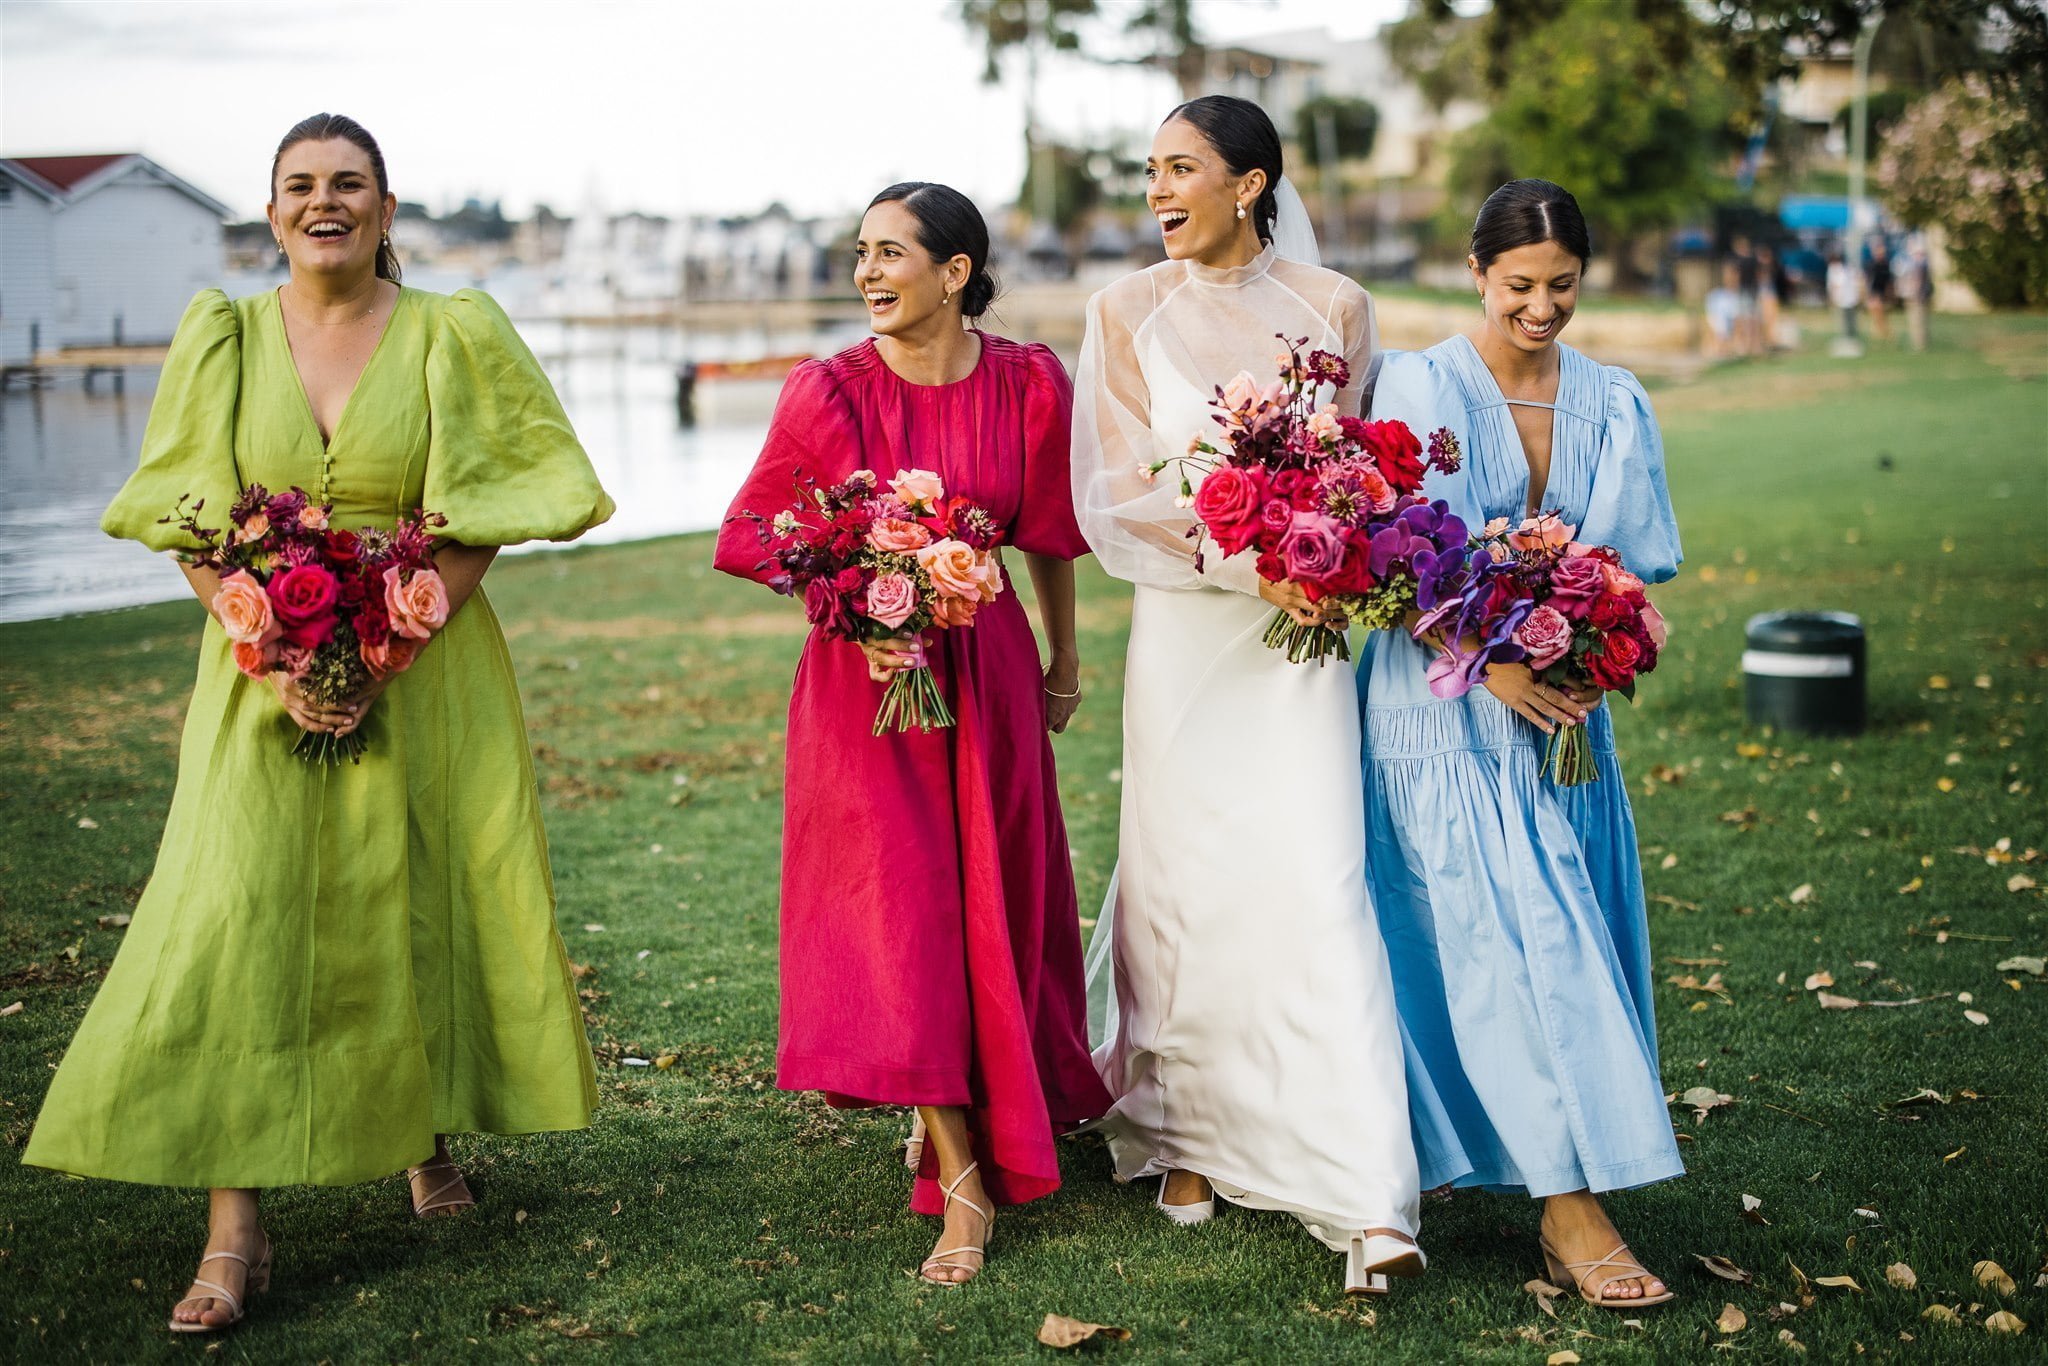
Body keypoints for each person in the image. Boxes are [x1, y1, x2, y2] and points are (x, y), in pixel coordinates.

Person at [21, 113, 612, 1332]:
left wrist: (395, 634)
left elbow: (490, 500)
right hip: (258, 672)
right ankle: (234, 1227)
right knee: (238, 911)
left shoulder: (455, 331)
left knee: (417, 888)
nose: (323, 202)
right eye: (300, 185)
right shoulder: (223, 335)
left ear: (387, 211)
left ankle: (420, 1135)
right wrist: (271, 644)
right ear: (274, 209)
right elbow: (193, 515)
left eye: (349, 184)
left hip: (429, 662)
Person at [1072, 94, 1440, 1296]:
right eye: (1148, 172)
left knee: (1316, 876)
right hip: (1189, 638)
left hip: (1308, 647)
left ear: (1252, 181)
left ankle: (1363, 1187)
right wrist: (1255, 564)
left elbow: (1365, 477)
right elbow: (1116, 496)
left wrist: (1319, 559)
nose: (1156, 191)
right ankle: (1181, 1130)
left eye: (1179, 168)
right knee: (1180, 884)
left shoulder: (1335, 308)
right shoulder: (1122, 309)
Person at [713, 182, 1108, 1286]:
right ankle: (962, 1179)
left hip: (986, 676)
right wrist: (850, 599)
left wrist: (1061, 661)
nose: (869, 274)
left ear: (956, 270)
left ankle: (976, 1111)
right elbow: (752, 532)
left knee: (995, 901)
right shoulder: (826, 390)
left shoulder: (1029, 382)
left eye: (892, 253)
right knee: (906, 914)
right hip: (865, 690)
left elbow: (1049, 536)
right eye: (860, 254)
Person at [1358, 179, 1684, 1311]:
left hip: (1559, 716)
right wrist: (1485, 655)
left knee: (1558, 930)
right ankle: (1568, 1206)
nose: (1539, 308)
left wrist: (1600, 641)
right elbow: (1386, 555)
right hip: (1438, 708)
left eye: (1561, 286)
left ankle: (1548, 1164)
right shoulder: (1419, 381)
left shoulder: (1613, 398)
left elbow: (1631, 559)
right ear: (1473, 272)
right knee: (1500, 938)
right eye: (1517, 286)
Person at [1827, 248, 1863, 344]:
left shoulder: (1841, 269)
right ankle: (1847, 337)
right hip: (1843, 298)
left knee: (1849, 319)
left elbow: (1836, 285)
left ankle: (1850, 337)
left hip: (1846, 298)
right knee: (1844, 320)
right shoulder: (1835, 269)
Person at [1864, 237, 1895, 344]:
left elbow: (1888, 281)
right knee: (1875, 316)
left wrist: (1890, 293)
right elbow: (1869, 281)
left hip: (1881, 293)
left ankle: (1885, 334)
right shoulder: (1872, 265)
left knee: (1882, 316)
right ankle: (1878, 334)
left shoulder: (1885, 265)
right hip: (1874, 293)